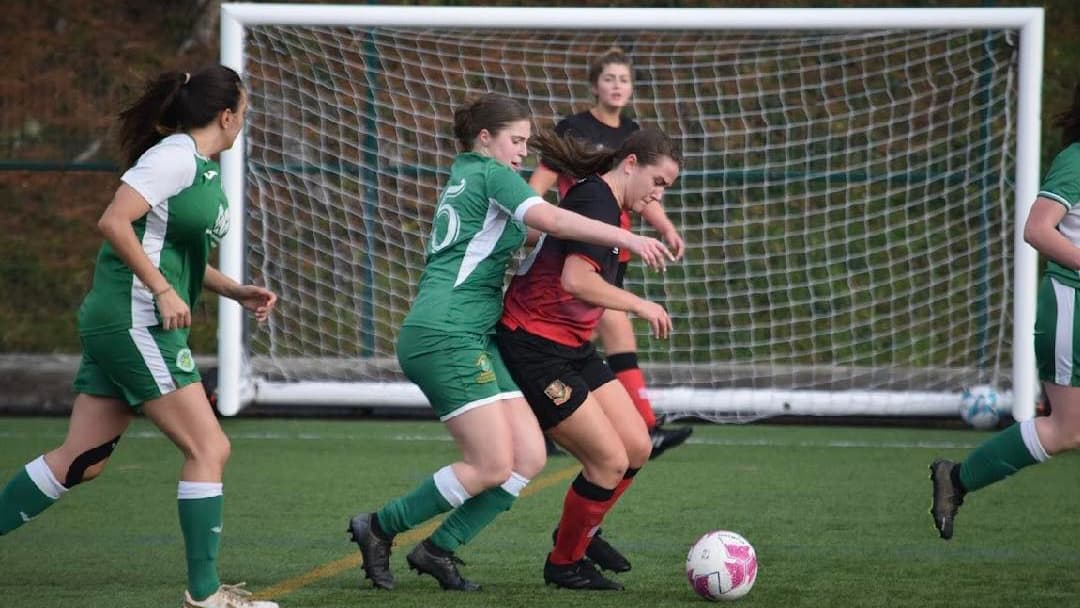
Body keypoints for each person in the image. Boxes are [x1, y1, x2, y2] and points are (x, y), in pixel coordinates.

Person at [346, 93, 673, 592]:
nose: (523, 152)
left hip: (473, 332)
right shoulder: (490, 172)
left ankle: (440, 548)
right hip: (446, 332)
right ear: (485, 138)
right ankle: (381, 526)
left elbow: (528, 238)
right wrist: (628, 240)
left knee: (528, 457)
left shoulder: (472, 176)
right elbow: (556, 221)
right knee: (493, 463)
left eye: (526, 141)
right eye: (516, 140)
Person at [0, 66, 279, 608]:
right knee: (209, 447)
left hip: (123, 318)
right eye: (244, 110)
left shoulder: (197, 167)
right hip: (135, 320)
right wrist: (160, 291)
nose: (245, 119)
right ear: (227, 116)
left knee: (84, 457)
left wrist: (234, 290)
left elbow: (170, 254)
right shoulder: (173, 156)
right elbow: (114, 221)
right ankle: (204, 595)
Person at [498, 128, 681, 590]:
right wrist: (639, 304)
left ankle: (581, 534)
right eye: (658, 183)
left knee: (638, 446)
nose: (659, 196)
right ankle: (564, 563)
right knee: (607, 463)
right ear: (631, 163)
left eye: (666, 190)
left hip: (573, 346)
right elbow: (576, 280)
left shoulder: (615, 203)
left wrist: (661, 225)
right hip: (535, 346)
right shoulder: (598, 202)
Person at [929, 84, 1080, 540]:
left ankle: (956, 478)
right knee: (1067, 430)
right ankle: (957, 479)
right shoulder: (1076, 159)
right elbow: (1037, 229)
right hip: (1073, 304)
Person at [529, 47, 692, 460]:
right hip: (583, 244)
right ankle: (642, 426)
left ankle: (630, 426)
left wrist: (666, 228)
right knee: (597, 328)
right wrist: (533, 221)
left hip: (615, 250)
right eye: (610, 78)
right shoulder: (575, 129)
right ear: (595, 85)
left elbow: (644, 192)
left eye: (624, 79)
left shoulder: (636, 134)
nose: (617, 86)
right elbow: (538, 188)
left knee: (602, 333)